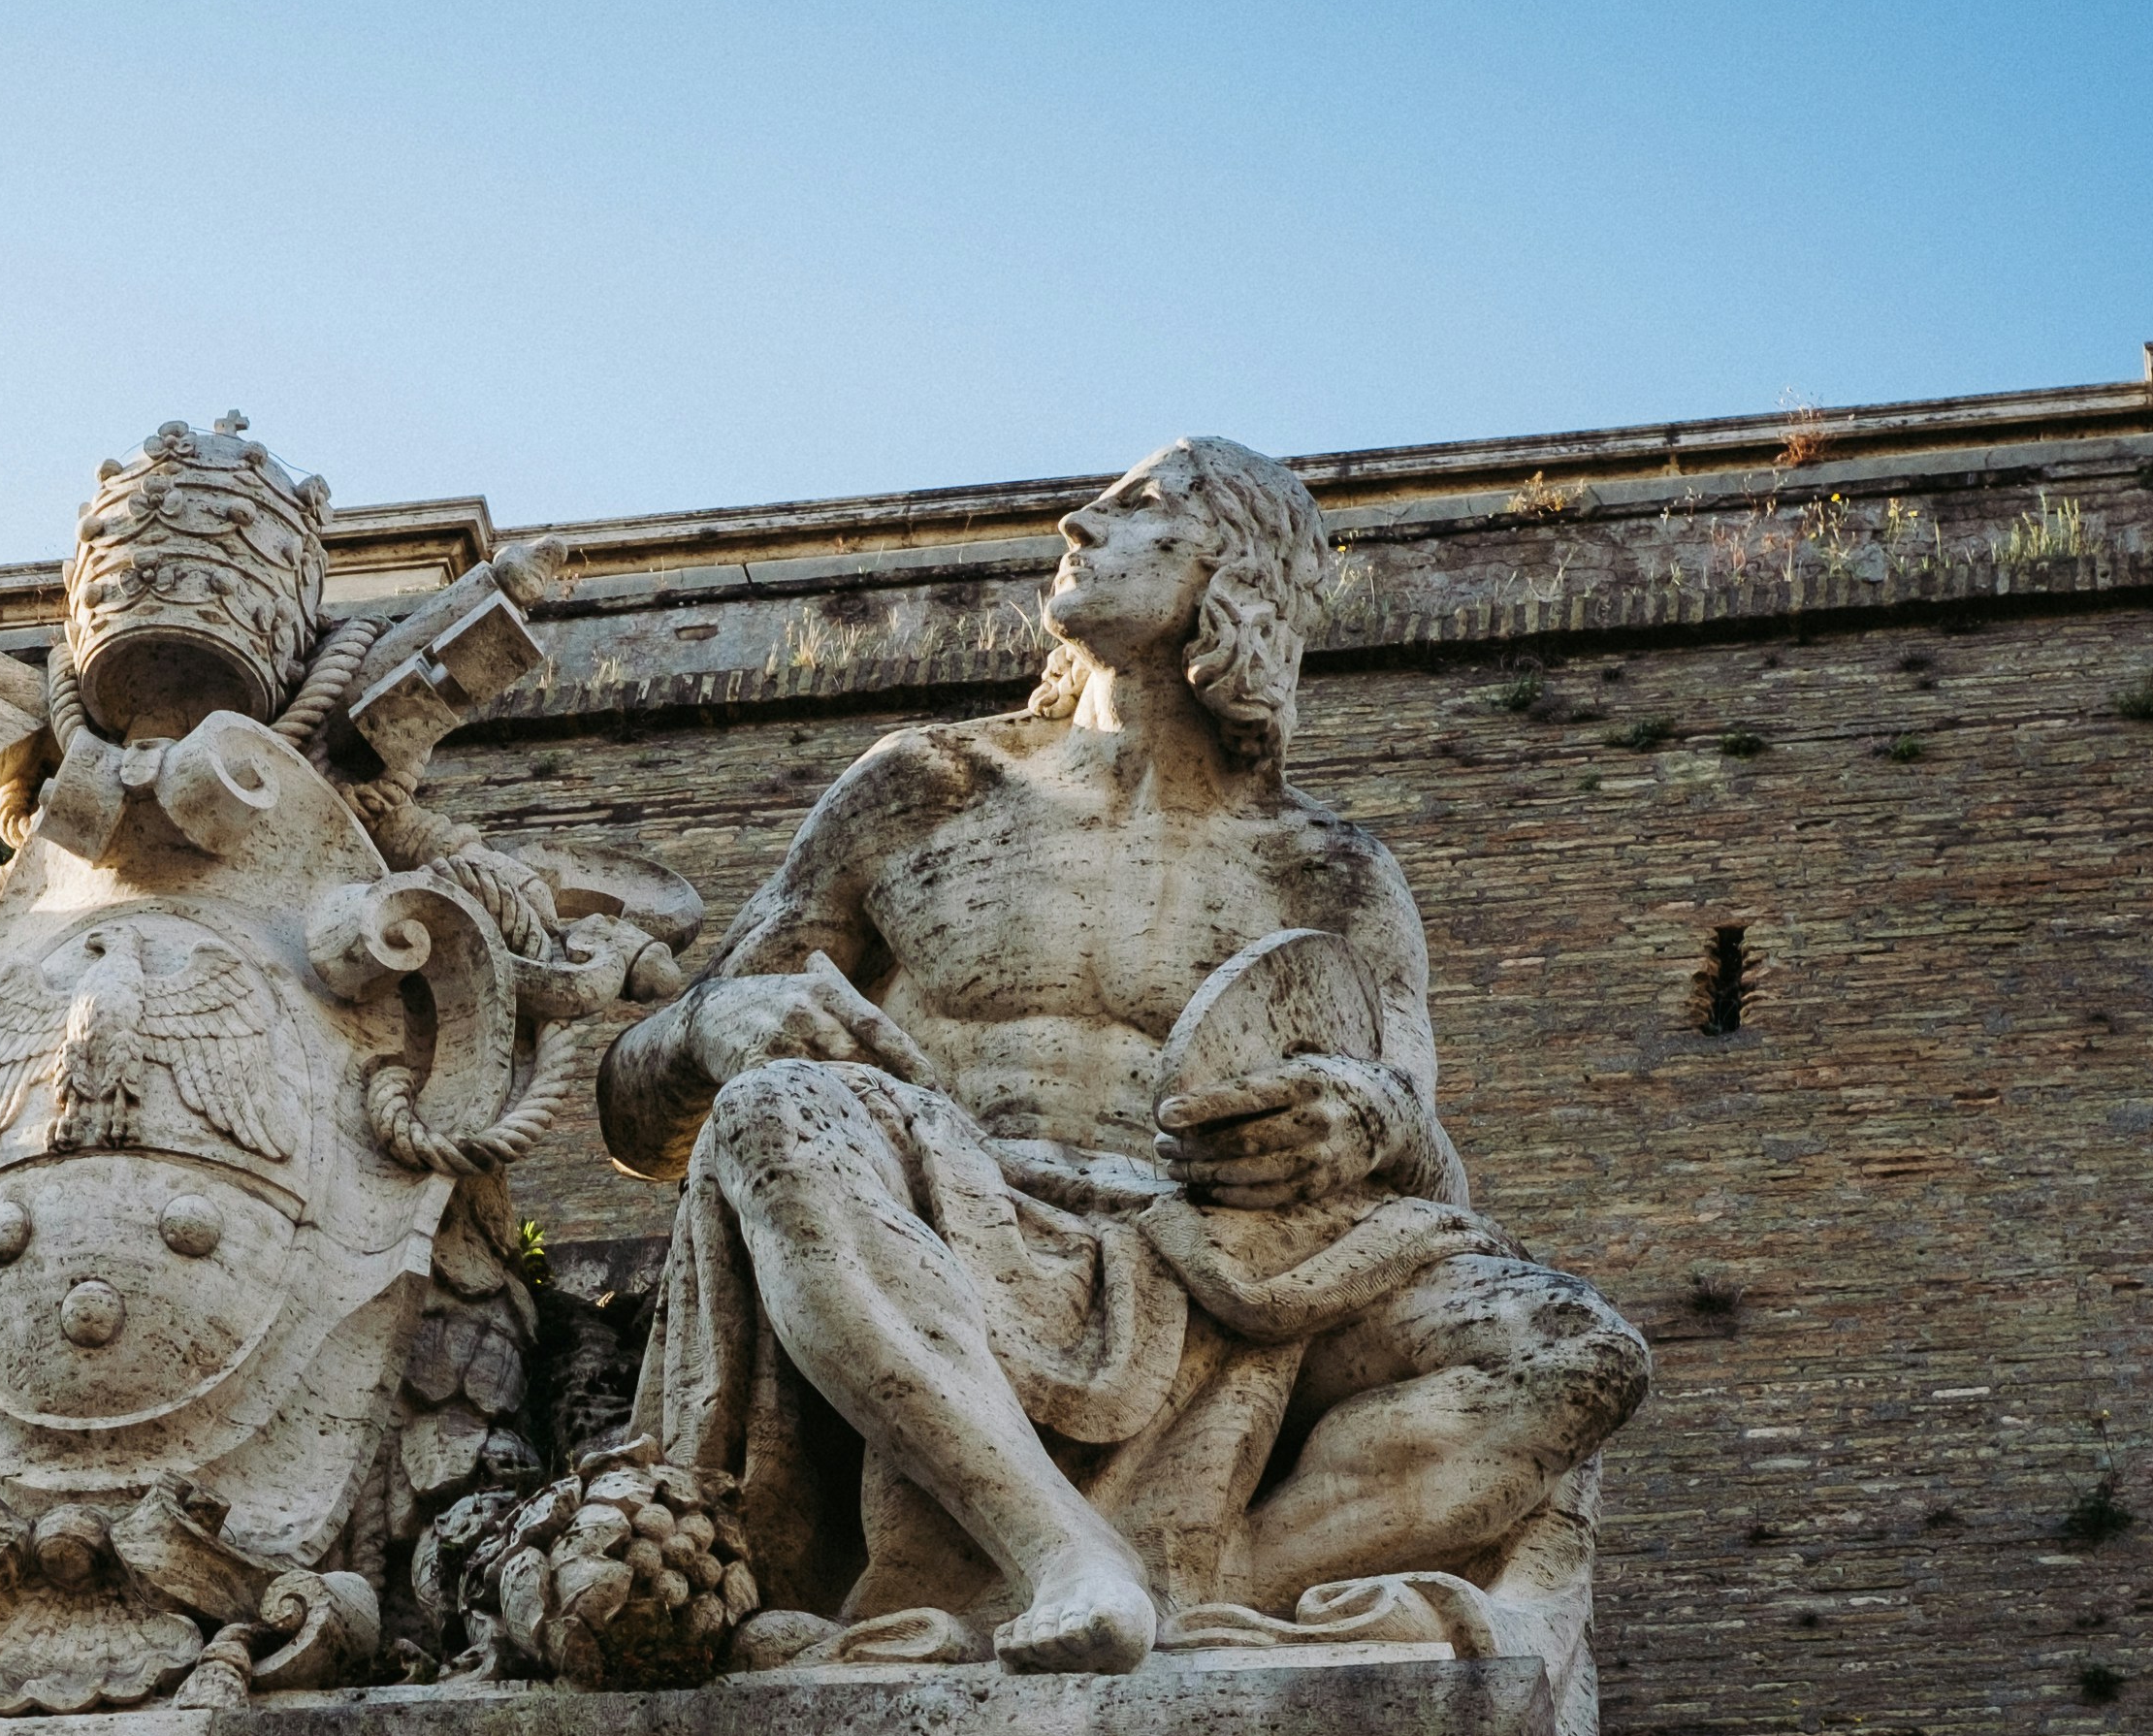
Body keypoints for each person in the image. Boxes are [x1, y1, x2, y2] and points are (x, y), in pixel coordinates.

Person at [599, 437, 1647, 1668]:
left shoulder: (1335, 870)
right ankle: (1056, 1553)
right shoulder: (929, 786)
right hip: (946, 1209)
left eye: (1141, 506)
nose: (1077, 524)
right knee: (776, 1114)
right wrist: (714, 1022)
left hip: (1218, 1256)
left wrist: (1361, 1118)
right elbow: (638, 1113)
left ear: (1238, 570)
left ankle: (1194, 1587)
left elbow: (1419, 1152)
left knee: (1578, 1351)